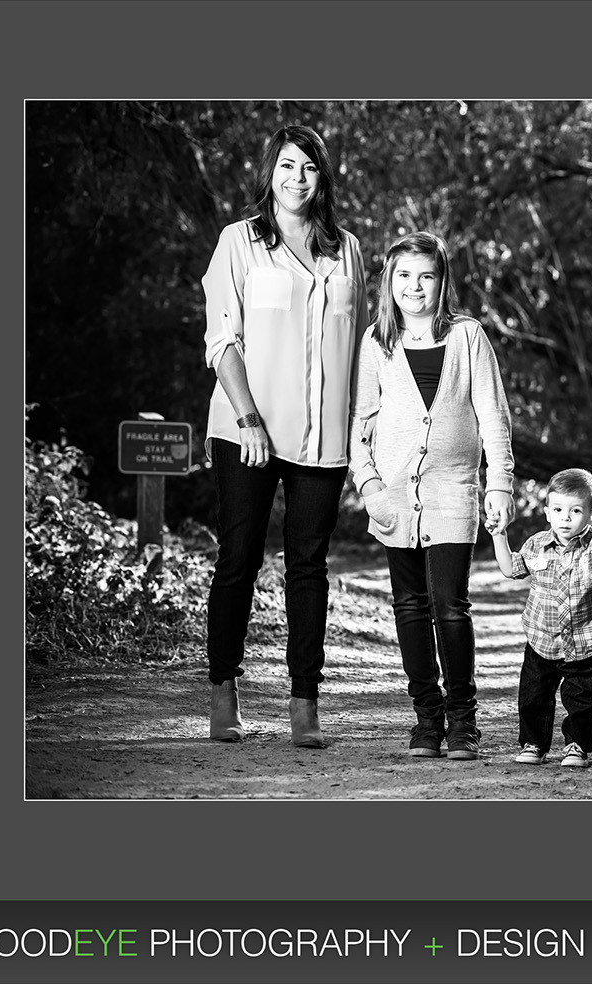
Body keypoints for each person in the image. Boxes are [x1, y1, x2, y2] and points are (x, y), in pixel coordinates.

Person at [203, 125, 365, 747]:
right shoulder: (238, 243)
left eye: (309, 169)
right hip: (248, 431)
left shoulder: (344, 249)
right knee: (239, 560)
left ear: (323, 178)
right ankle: (224, 691)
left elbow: (356, 351)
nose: (297, 178)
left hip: (321, 438)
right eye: (287, 166)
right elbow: (223, 341)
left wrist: (362, 434)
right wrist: (248, 419)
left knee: (309, 568)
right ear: (269, 172)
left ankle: (305, 703)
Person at [349, 232, 515, 760]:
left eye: (426, 276)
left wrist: (501, 484)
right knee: (409, 607)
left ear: (442, 282)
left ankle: (463, 720)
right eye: (403, 276)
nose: (414, 286)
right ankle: (427, 718)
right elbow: (361, 424)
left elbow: (493, 416)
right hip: (395, 496)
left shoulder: (467, 337)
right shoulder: (376, 341)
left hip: (452, 492)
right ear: (389, 282)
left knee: (450, 605)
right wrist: (370, 486)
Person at [489, 468, 592, 769]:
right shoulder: (536, 544)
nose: (565, 518)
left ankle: (576, 745)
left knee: (581, 700)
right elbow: (510, 568)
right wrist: (499, 535)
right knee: (533, 697)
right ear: (547, 512)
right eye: (558, 510)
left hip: (583, 642)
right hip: (542, 639)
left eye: (576, 511)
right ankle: (534, 743)